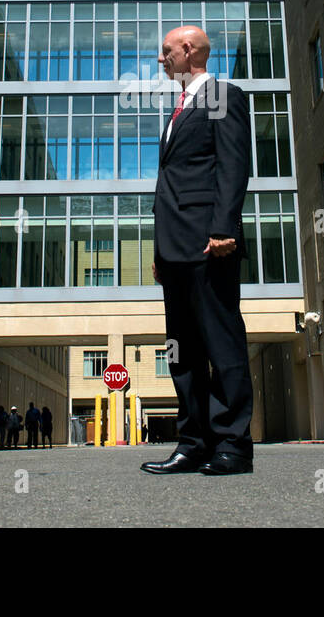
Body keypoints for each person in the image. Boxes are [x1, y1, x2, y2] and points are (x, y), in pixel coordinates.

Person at [141, 26, 254, 476]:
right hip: (175, 249)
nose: (160, 60)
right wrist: (160, 248)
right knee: (181, 349)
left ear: (188, 51)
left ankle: (232, 445)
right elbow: (172, 181)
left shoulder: (222, 94)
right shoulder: (179, 109)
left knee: (221, 344)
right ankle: (193, 443)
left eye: (165, 52)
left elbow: (233, 163)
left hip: (211, 244)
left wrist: (224, 226)